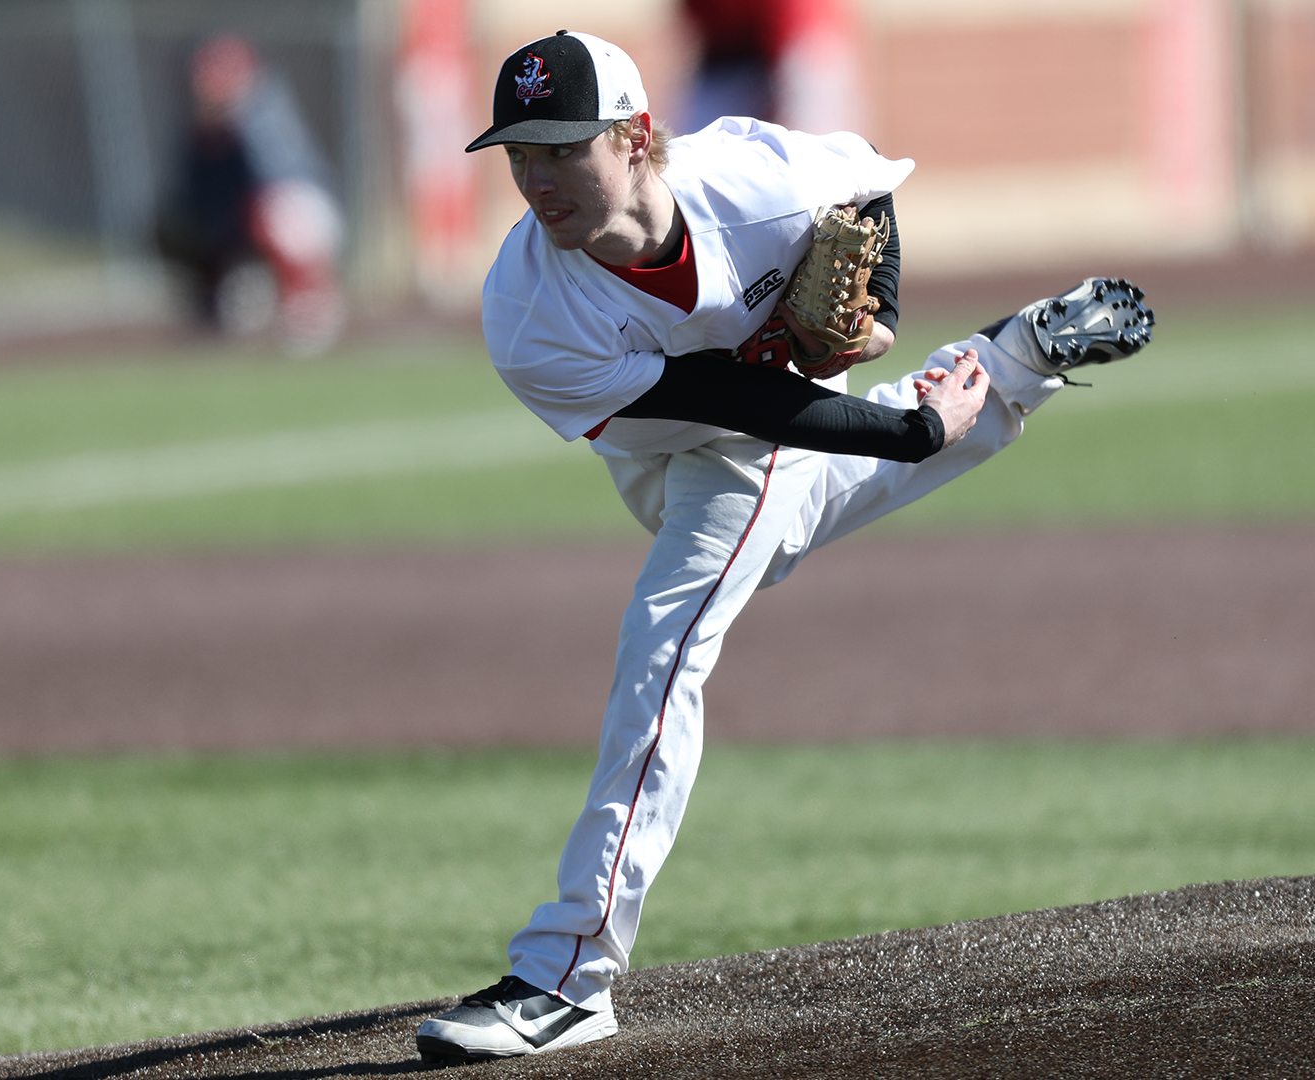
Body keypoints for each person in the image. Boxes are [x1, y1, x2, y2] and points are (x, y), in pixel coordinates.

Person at [414, 30, 1153, 1065]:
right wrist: (911, 428)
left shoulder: (752, 181)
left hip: (755, 432)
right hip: (678, 436)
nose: (537, 179)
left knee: (663, 649)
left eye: (563, 148)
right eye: (519, 154)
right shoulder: (527, 306)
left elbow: (869, 185)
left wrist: (878, 317)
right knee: (788, 528)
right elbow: (722, 395)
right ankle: (1010, 364)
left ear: (636, 137)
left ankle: (569, 973)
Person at [153, 34, 346, 356]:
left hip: (300, 212)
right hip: (245, 223)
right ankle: (224, 299)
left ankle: (307, 301)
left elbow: (270, 183)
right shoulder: (202, 132)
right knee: (181, 230)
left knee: (268, 211)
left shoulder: (260, 113)